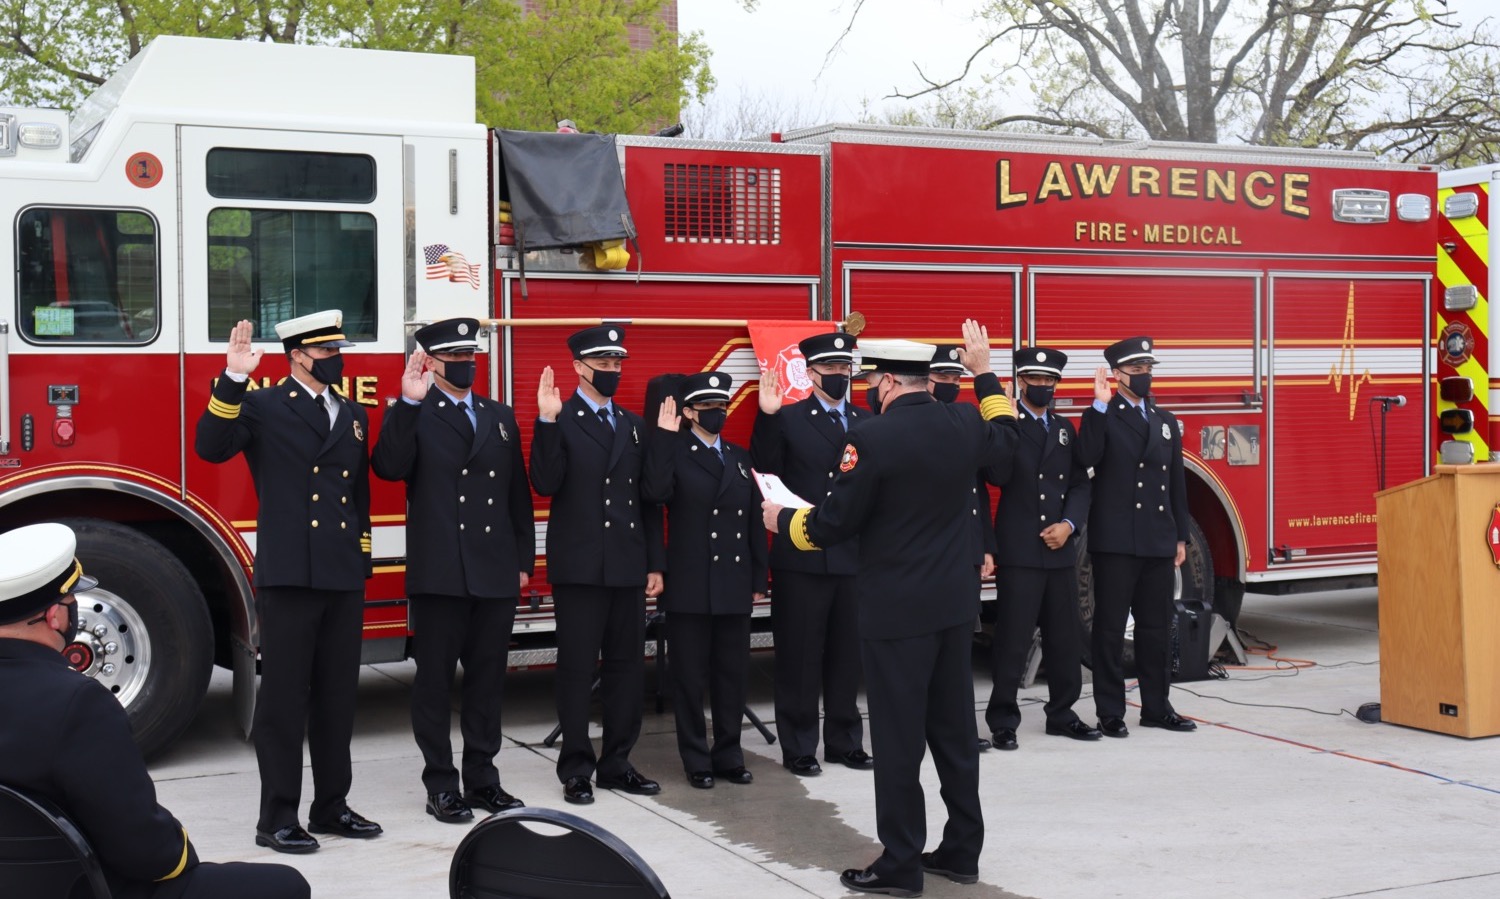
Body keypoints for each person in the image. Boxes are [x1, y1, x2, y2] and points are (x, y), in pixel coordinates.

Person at [764, 322, 1019, 897]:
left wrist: (784, 521)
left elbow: (833, 523)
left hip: (896, 614)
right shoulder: (964, 422)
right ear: (925, 379)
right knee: (955, 735)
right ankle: (962, 851)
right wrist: (983, 373)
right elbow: (1008, 438)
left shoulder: (870, 437)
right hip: (953, 608)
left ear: (884, 383)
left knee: (900, 743)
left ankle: (901, 863)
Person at [0, 523, 311, 899]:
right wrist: (179, 852)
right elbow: (148, 852)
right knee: (286, 886)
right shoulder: (79, 704)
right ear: (55, 617)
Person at [195, 311, 382, 853]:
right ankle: (276, 818)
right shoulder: (264, 405)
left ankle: (331, 806)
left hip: (341, 573)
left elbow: (357, 496)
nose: (335, 359)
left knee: (337, 698)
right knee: (283, 702)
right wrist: (234, 376)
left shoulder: (351, 413)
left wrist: (361, 558)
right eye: (326, 352)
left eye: (337, 351)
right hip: (291, 572)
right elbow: (211, 445)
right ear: (297, 355)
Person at [370, 318, 535, 823]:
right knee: (435, 684)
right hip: (441, 573)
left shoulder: (498, 415)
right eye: (456, 356)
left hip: (494, 572)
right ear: (433, 362)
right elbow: (388, 467)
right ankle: (441, 784)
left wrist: (523, 561)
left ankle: (483, 779)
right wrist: (408, 402)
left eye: (471, 355)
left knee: (487, 683)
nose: (467, 363)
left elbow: (517, 496)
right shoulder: (415, 411)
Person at [531, 325, 665, 805]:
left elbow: (648, 500)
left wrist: (655, 563)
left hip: (627, 566)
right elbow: (545, 482)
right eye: (602, 364)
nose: (612, 371)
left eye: (616, 364)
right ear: (579, 367)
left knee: (627, 669)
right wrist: (546, 423)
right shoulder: (561, 418)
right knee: (576, 668)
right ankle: (576, 768)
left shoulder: (633, 425)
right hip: (580, 567)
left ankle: (617, 763)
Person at [750, 331, 871, 777]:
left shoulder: (866, 420)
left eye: (844, 368)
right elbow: (765, 469)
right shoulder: (789, 418)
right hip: (801, 557)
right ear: (810, 372)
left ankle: (844, 741)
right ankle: (799, 745)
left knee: (847, 656)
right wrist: (766, 416)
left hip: (853, 556)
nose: (839, 375)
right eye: (830, 368)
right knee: (800, 658)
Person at [642, 372, 768, 789]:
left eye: (722, 406)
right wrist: (663, 438)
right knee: (690, 678)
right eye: (709, 407)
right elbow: (655, 494)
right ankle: (696, 759)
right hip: (691, 583)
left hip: (733, 581)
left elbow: (753, 522)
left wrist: (758, 576)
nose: (718, 413)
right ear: (690, 412)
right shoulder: (674, 451)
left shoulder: (739, 456)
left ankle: (729, 754)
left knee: (732, 675)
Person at [1075, 336, 1197, 736]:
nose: (1144, 376)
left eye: (1148, 369)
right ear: (1118, 374)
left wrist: (1180, 536)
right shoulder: (1104, 415)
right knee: (1110, 630)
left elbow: (1175, 483)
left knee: (1156, 629)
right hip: (1117, 542)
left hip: (1157, 540)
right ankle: (1110, 711)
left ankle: (1157, 707)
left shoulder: (1164, 421)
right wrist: (1098, 405)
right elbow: (1085, 457)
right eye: (1136, 370)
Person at [983, 347, 1098, 750]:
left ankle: (1062, 713)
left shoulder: (1064, 428)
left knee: (1064, 639)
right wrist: (1002, 425)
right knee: (1012, 640)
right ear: (1021, 381)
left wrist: (1069, 525)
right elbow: (996, 476)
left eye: (1050, 381)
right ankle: (1003, 719)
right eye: (1037, 380)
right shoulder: (1009, 424)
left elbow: (1080, 483)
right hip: (1021, 552)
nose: (1044, 387)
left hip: (1059, 551)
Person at [927, 345, 999, 753]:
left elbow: (979, 489)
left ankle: (961, 732)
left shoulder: (967, 419)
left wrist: (984, 545)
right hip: (928, 555)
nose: (951, 385)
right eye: (943, 378)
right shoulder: (911, 421)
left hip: (965, 552)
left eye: (956, 378)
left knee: (958, 653)